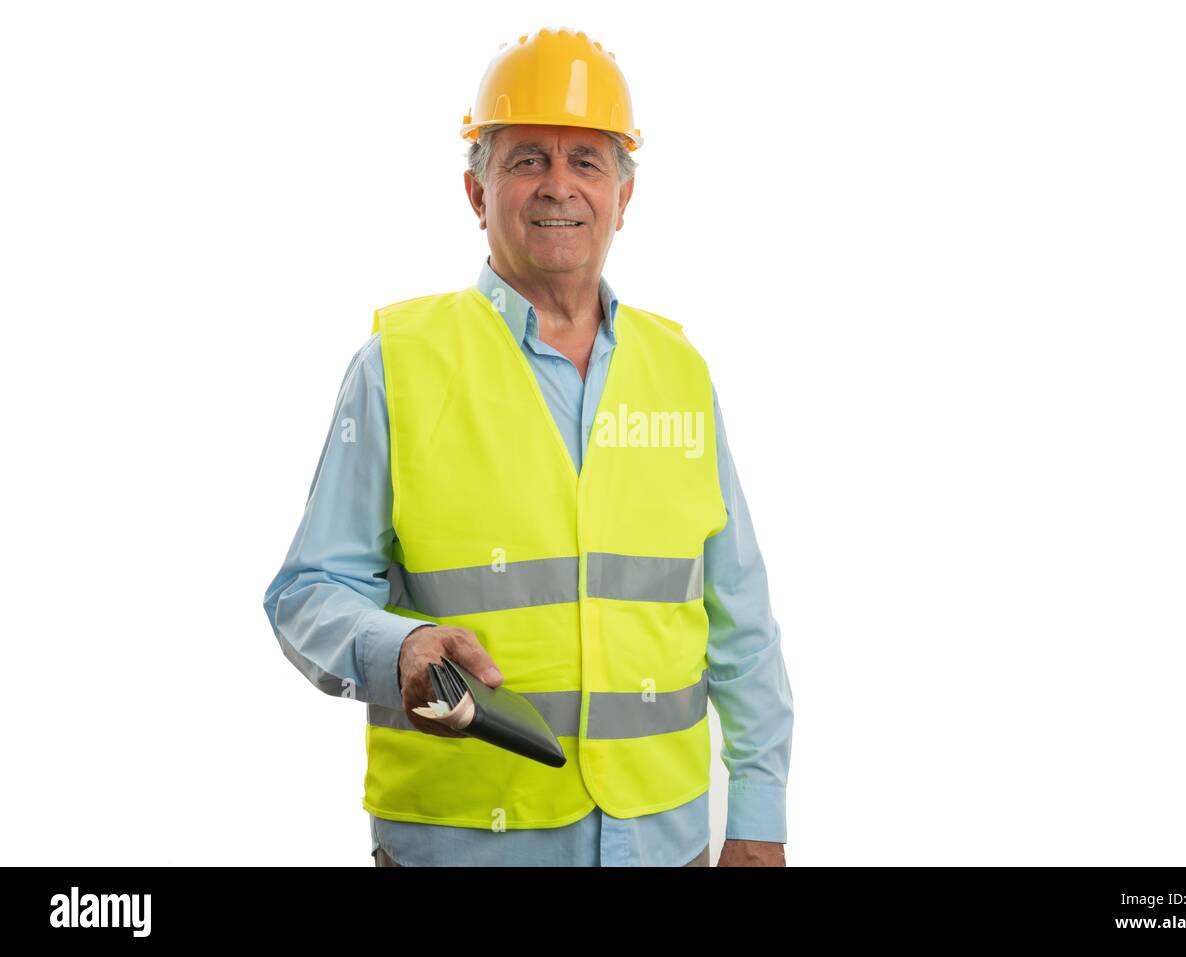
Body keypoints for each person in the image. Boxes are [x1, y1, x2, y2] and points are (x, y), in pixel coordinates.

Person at [263, 27, 793, 867]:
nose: (559, 187)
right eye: (526, 160)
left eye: (586, 160)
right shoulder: (395, 365)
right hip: (463, 845)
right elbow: (305, 592)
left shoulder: (680, 371)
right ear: (477, 192)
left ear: (624, 195)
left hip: (663, 844)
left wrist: (759, 814)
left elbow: (742, 621)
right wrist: (395, 645)